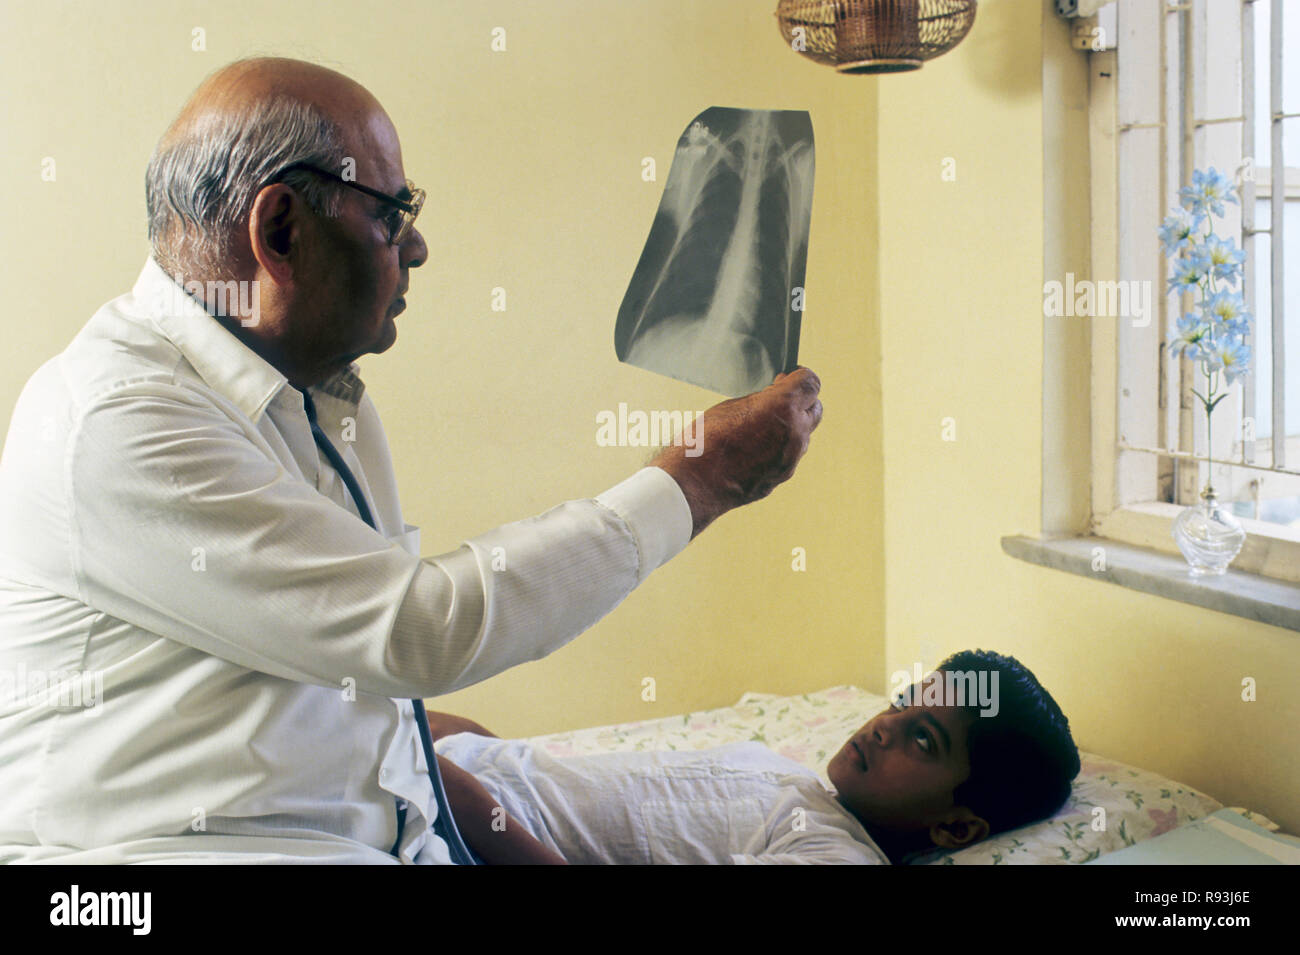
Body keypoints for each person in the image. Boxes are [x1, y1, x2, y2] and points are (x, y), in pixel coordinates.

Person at [0, 57, 823, 864]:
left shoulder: (314, 397)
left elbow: (377, 704)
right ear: (281, 229)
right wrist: (698, 480)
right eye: (391, 215)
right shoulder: (120, 419)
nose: (418, 246)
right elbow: (416, 631)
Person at [428, 650, 1081, 864]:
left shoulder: (836, 853)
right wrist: (475, 744)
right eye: (903, 702)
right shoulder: (801, 780)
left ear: (956, 825)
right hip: (467, 770)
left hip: (452, 828)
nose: (885, 724)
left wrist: (460, 795)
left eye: (923, 738)